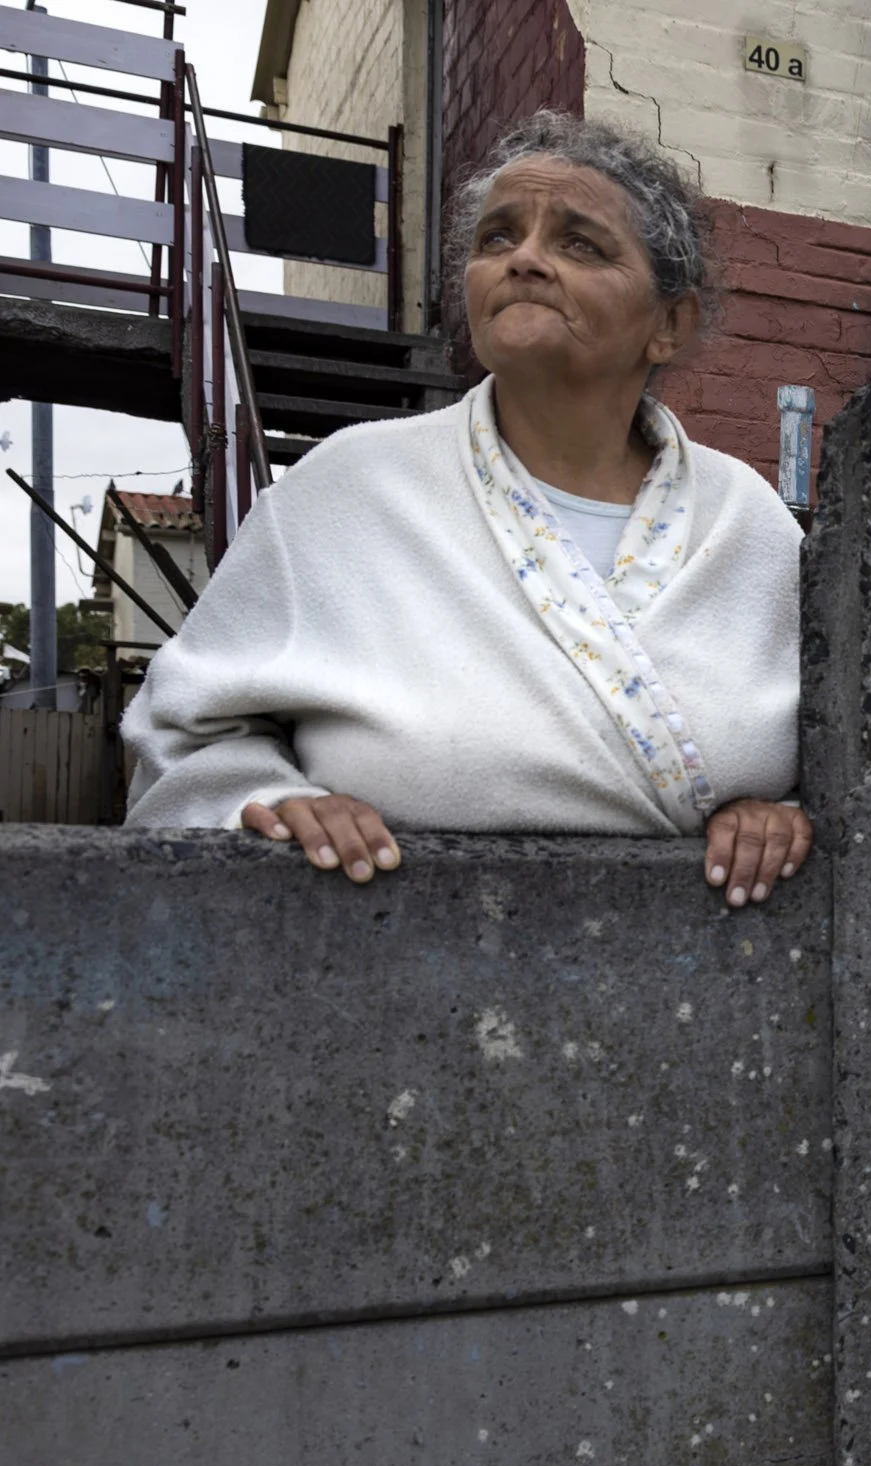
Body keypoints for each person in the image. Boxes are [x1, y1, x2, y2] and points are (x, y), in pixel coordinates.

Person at [122, 113, 809, 904]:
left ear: (669, 324)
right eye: (497, 239)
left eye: (579, 243)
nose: (523, 260)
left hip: (701, 983)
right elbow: (184, 730)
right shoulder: (349, 488)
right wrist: (276, 803)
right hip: (390, 964)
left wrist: (778, 818)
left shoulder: (746, 520)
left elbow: (846, 759)